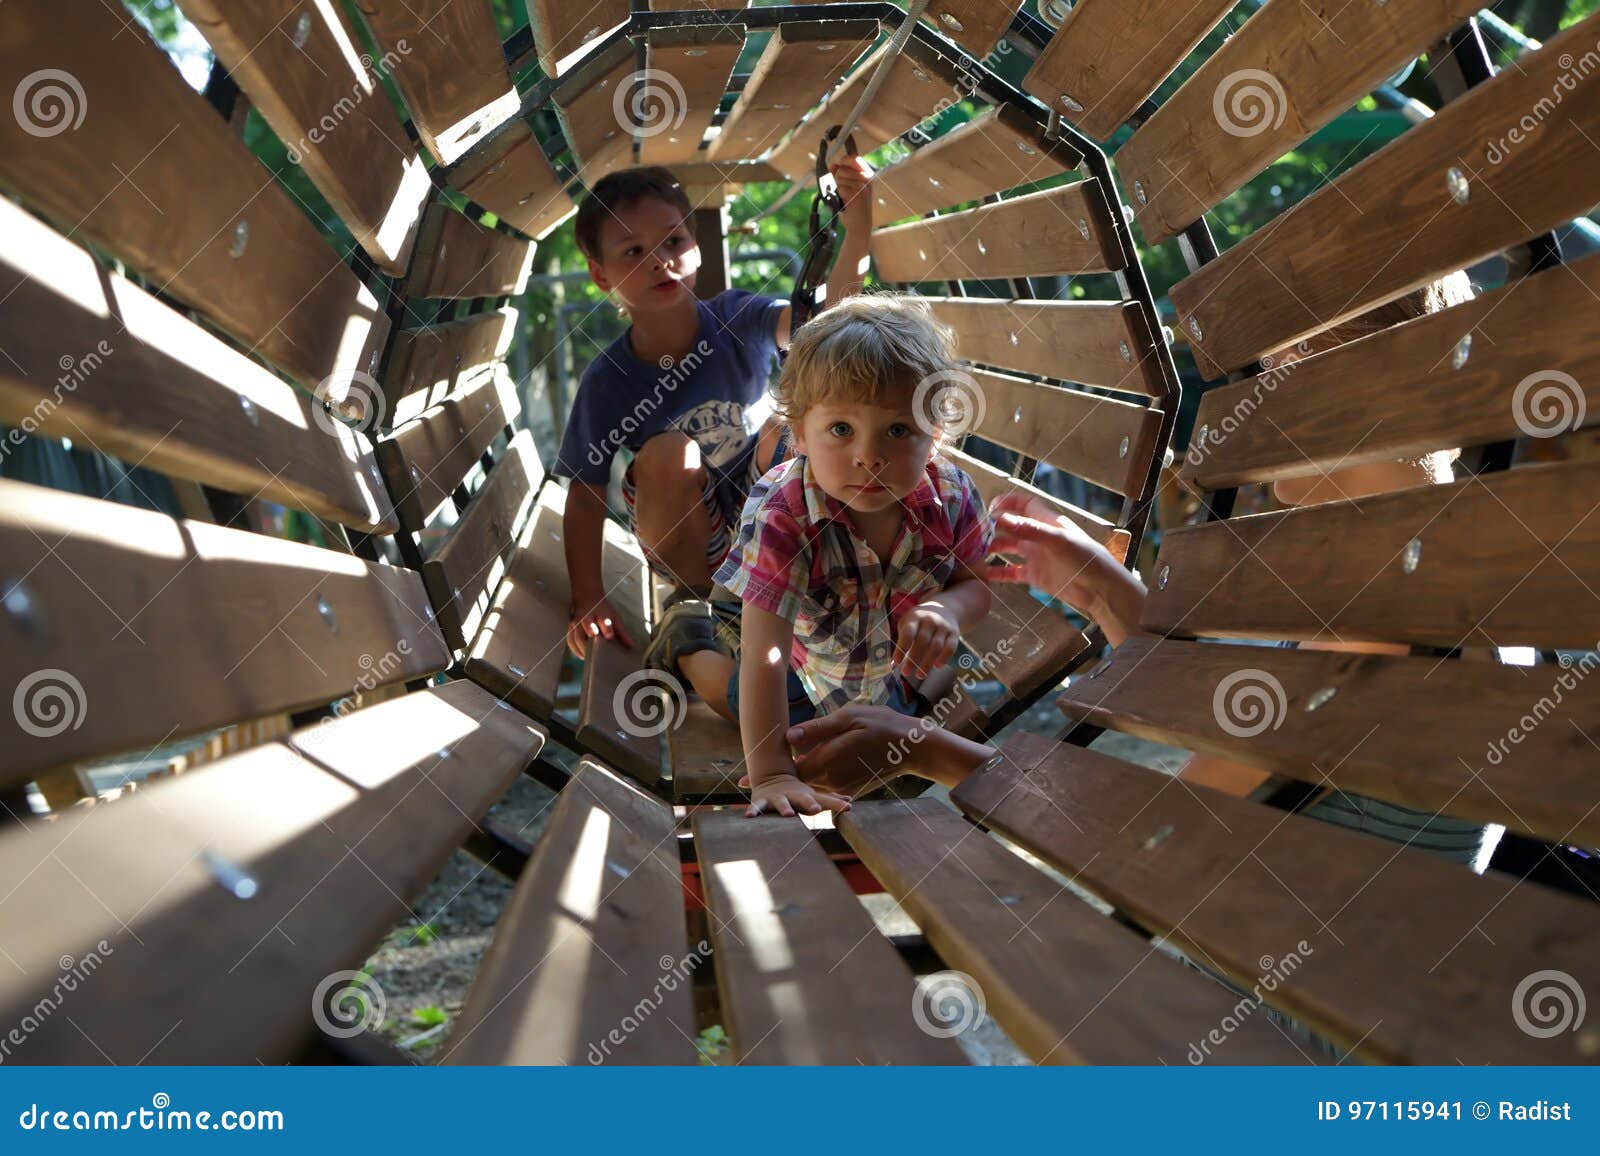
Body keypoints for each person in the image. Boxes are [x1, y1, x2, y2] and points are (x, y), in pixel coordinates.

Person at [768, 277, 1503, 869]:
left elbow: (1148, 831)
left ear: (1369, 394)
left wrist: (921, 749)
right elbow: (1229, 728)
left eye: (1282, 376)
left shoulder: (1384, 607)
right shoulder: (1412, 554)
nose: (1257, 405)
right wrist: (1102, 589)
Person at [654, 293, 996, 818]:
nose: (868, 455)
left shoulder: (951, 497)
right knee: (768, 711)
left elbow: (977, 582)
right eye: (841, 430)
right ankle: (688, 639)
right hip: (778, 636)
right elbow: (766, 657)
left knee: (927, 688)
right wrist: (771, 774)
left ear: (936, 433)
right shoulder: (785, 512)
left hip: (869, 649)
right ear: (800, 433)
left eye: (898, 430)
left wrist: (948, 610)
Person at [553, 161, 874, 658]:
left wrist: (857, 231)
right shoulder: (607, 381)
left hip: (765, 519)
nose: (660, 260)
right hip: (688, 545)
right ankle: (700, 610)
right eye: (634, 251)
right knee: (665, 454)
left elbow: (830, 325)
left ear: (696, 246)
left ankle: (811, 580)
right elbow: (586, 490)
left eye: (673, 241)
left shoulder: (736, 317)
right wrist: (586, 597)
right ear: (601, 274)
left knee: (787, 421)